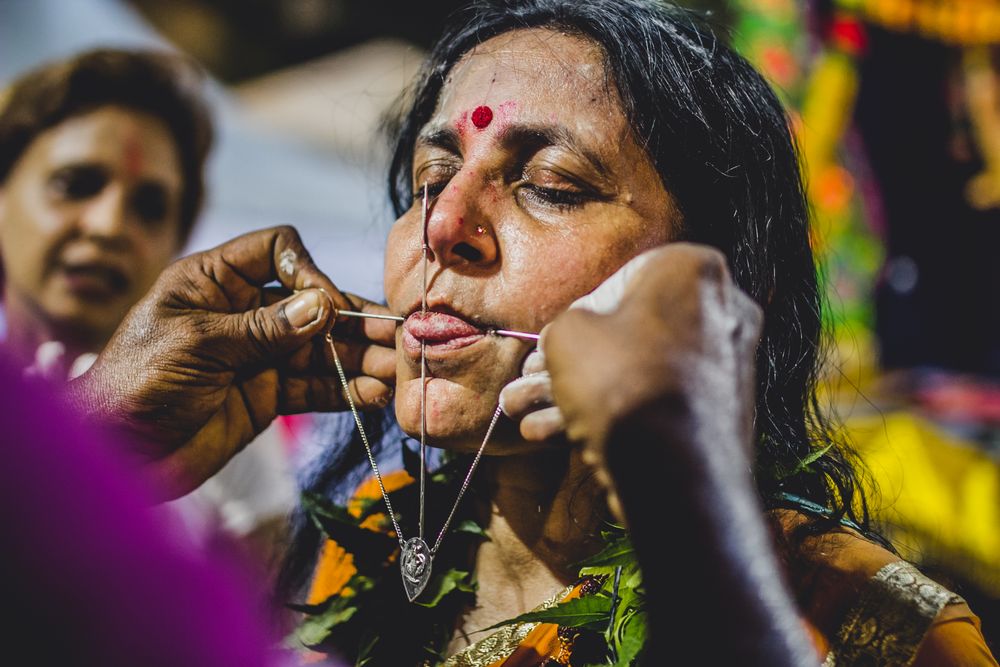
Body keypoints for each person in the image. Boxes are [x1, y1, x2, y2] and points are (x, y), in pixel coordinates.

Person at [64, 2, 997, 665]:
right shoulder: (293, 565)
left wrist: (681, 487)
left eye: (551, 185)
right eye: (432, 177)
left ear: (719, 290)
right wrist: (92, 451)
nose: (442, 225)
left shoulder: (878, 629)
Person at [0, 49, 296, 562]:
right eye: (75, 184)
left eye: (150, 207)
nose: (110, 225)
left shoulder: (212, 409)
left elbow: (269, 624)